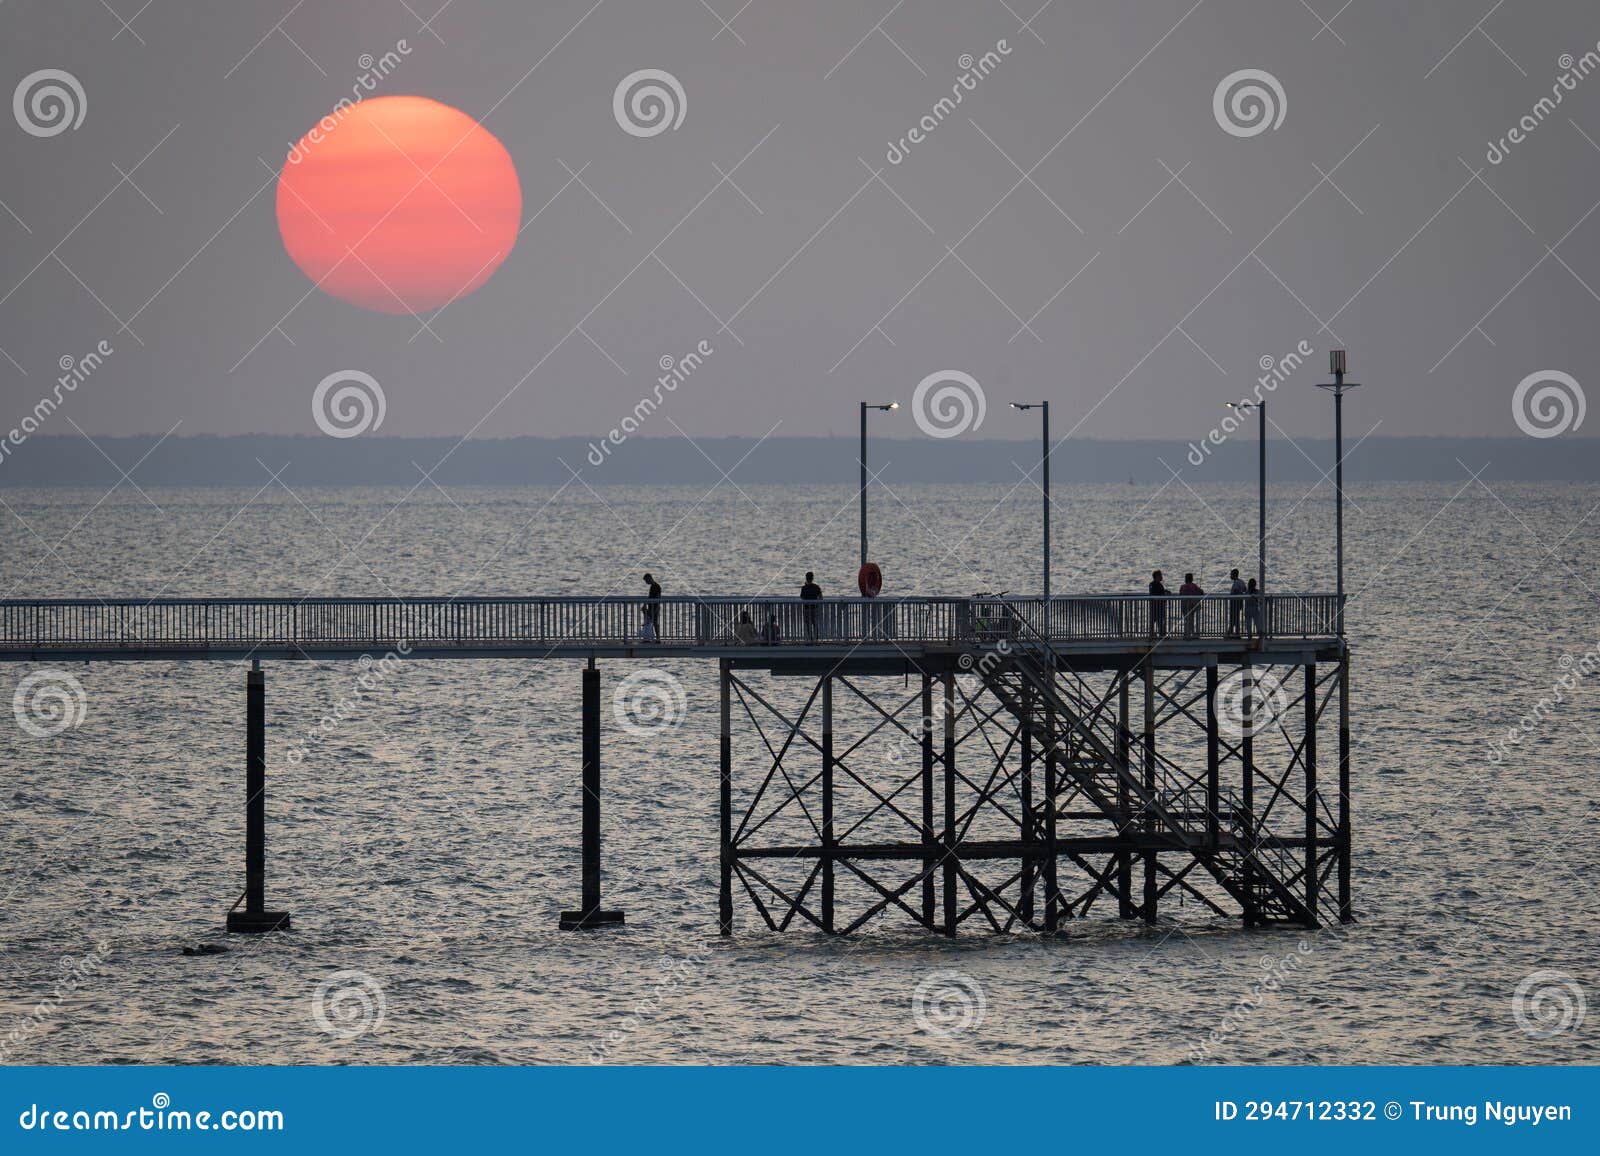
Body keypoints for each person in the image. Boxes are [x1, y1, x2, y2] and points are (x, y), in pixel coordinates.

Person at [1178, 572, 1203, 638]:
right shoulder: (1194, 586)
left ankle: (1187, 634)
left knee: (1187, 620)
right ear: (1192, 579)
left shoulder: (1182, 587)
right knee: (1191, 620)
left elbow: (1180, 594)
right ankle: (1194, 634)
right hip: (1193, 605)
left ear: (1186, 579)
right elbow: (1201, 592)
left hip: (1185, 606)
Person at [800, 571, 822, 642]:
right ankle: (816, 638)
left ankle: (810, 638)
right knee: (815, 624)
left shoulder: (804, 588)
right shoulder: (816, 587)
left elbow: (802, 597)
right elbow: (821, 597)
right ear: (812, 578)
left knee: (808, 624)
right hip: (814, 608)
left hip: (806, 609)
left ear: (806, 578)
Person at [1226, 568, 1247, 639]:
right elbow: (1245, 589)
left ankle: (1230, 633)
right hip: (1239, 603)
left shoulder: (1236, 583)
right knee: (1236, 618)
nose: (1230, 576)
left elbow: (1236, 591)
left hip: (1234, 603)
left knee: (1233, 618)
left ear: (1234, 575)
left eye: (1231, 574)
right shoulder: (1241, 581)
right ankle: (1234, 633)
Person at [1148, 570, 1168, 638]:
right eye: (1160, 575)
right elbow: (1158, 594)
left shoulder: (1152, 584)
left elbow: (1155, 592)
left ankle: (1152, 634)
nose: (1162, 577)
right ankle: (1161, 635)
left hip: (1154, 606)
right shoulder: (1158, 585)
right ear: (1157, 576)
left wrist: (1165, 591)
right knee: (1160, 621)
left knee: (1154, 621)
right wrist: (1165, 594)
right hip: (1158, 607)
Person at [1244, 577, 1262, 641]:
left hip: (1248, 609)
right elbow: (1260, 599)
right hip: (1255, 608)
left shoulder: (1246, 592)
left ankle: (1249, 636)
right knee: (1257, 622)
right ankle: (1260, 635)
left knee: (1248, 623)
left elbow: (1246, 599)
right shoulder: (1257, 592)